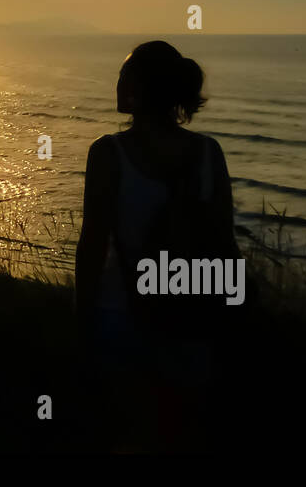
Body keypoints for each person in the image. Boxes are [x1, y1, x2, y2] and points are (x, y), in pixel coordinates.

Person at [75, 40, 244, 448]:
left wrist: (81, 323)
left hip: (121, 317)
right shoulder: (208, 152)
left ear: (140, 86)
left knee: (128, 432)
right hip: (191, 318)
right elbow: (225, 244)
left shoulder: (108, 153)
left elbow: (93, 245)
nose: (117, 82)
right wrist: (231, 317)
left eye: (124, 74)